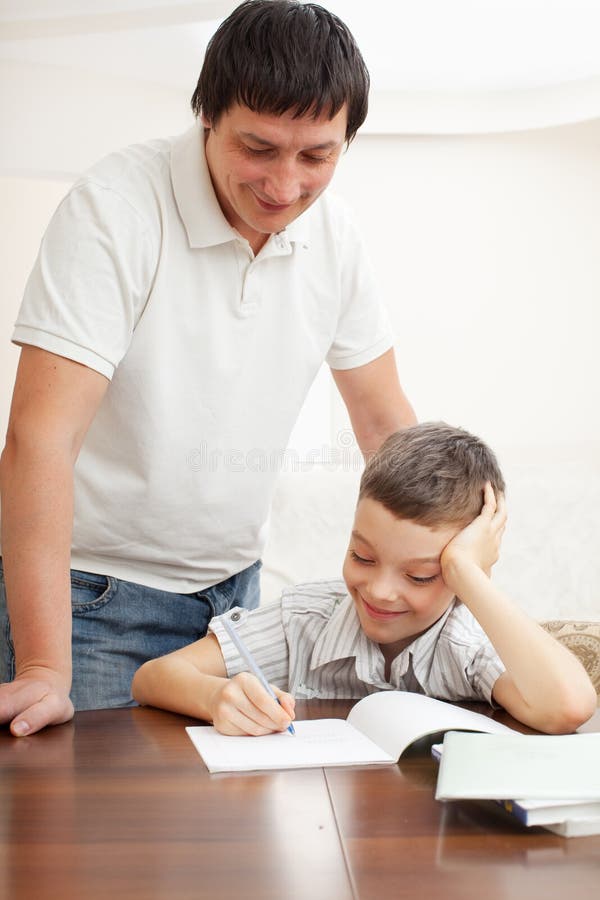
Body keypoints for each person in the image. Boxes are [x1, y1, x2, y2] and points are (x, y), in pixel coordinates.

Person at [0, 0, 416, 737]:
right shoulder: (115, 210)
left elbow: (385, 424)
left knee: (225, 842)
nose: (285, 187)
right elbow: (41, 440)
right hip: (91, 604)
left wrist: (449, 567)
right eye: (258, 148)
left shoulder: (336, 235)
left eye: (316, 156)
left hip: (236, 609)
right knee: (90, 841)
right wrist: (42, 668)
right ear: (205, 115)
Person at [132, 422, 597, 735]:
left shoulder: (466, 641)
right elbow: (153, 678)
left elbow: (569, 707)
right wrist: (216, 697)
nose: (378, 591)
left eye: (420, 576)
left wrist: (468, 574)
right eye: (362, 556)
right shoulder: (304, 620)